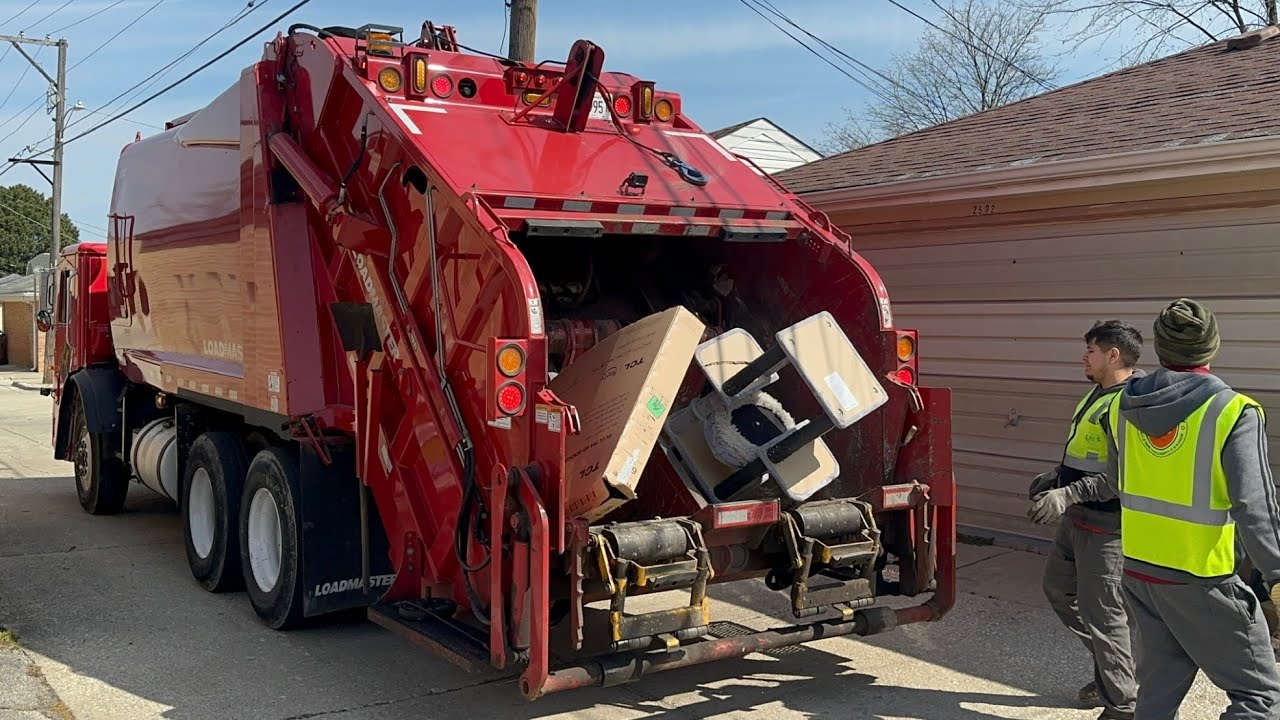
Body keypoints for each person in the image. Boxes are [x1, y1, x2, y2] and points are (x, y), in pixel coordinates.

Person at [1070, 298, 1280, 719]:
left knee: (1156, 700)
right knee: (1260, 700)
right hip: (1204, 580)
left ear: (1161, 350)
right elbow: (1254, 506)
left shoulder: (1121, 409)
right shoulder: (1233, 412)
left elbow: (1118, 482)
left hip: (1141, 574)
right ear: (1211, 349)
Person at [1028, 320, 1143, 720]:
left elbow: (1120, 478)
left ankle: (1123, 707)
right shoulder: (1096, 395)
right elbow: (1084, 456)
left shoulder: (1128, 403)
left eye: (1091, 350)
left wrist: (1067, 493)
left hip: (1107, 527)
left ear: (1113, 355)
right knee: (1058, 591)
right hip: (1076, 520)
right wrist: (1055, 478)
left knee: (1105, 616)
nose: (1084, 357)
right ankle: (1118, 673)